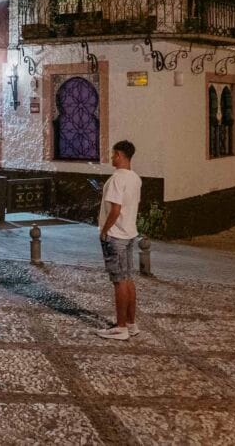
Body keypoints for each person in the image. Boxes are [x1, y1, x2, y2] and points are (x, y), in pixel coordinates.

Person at [97, 140, 143, 341]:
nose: (112, 158)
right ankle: (131, 324)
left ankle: (121, 327)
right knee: (128, 279)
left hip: (116, 235)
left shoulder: (117, 179)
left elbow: (115, 209)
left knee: (119, 282)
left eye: (114, 154)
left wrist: (105, 230)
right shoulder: (135, 179)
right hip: (130, 232)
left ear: (121, 156)